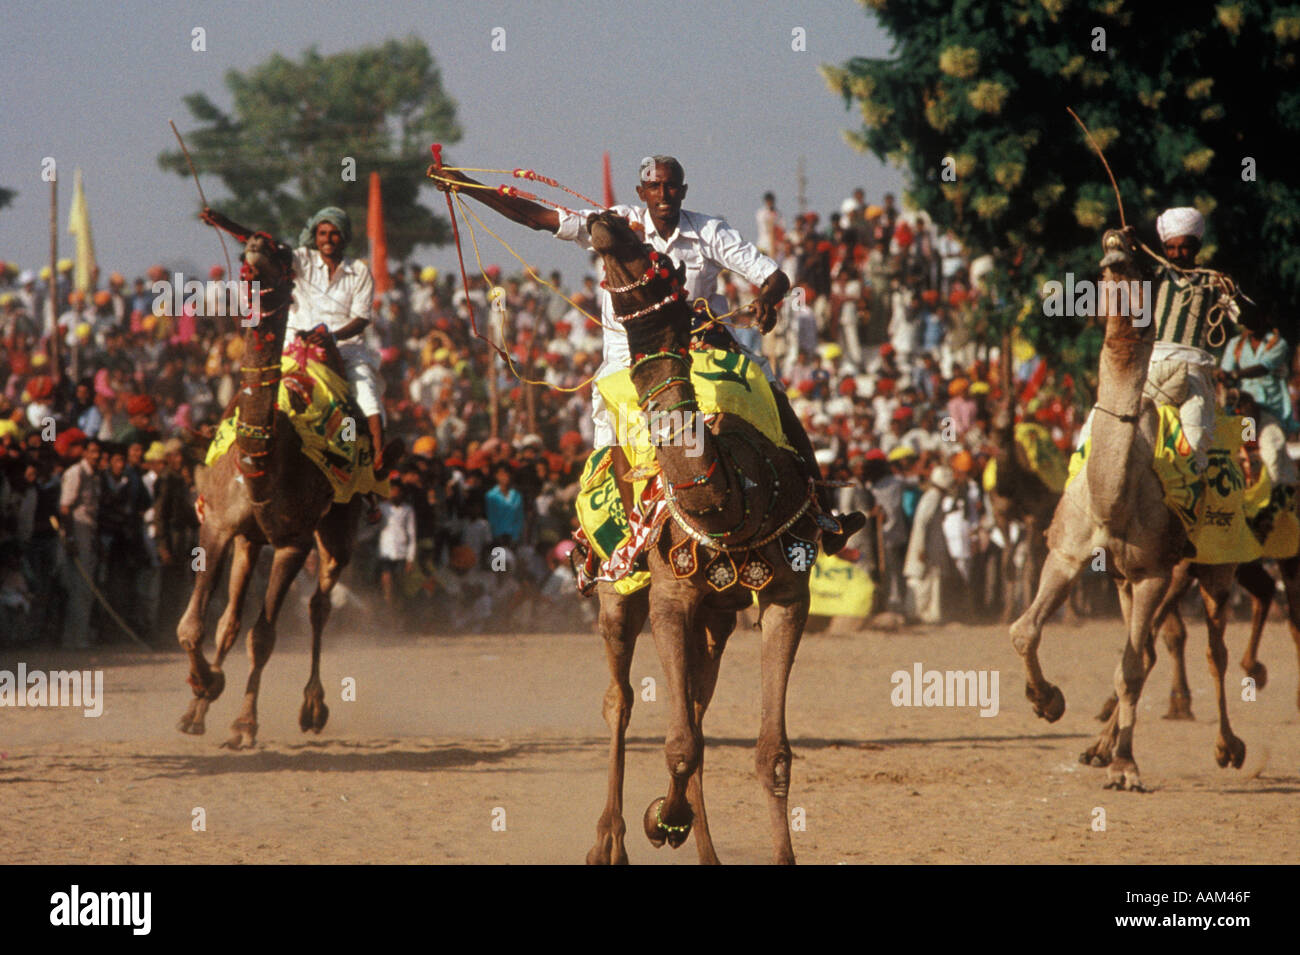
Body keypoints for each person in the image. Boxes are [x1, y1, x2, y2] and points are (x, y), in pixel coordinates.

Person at [435, 154, 865, 551]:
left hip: (699, 349)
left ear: (683, 190)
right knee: (610, 437)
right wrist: (467, 186)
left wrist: (767, 302)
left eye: (671, 186)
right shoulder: (616, 225)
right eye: (654, 187)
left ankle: (820, 513)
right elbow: (539, 217)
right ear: (641, 193)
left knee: (771, 392)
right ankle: (606, 542)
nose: (663, 195)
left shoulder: (709, 231)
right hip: (628, 358)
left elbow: (772, 275)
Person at [199, 205, 395, 474]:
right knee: (252, 390)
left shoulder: (359, 272)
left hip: (345, 348)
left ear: (344, 237)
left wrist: (331, 337)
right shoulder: (300, 259)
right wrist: (226, 224)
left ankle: (377, 460)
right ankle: (216, 439)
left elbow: (361, 318)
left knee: (367, 396)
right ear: (315, 236)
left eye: (334, 233)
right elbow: (262, 245)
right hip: (295, 347)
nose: (328, 239)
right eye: (323, 233)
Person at [1145, 206, 1240, 470]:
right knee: (1110, 422)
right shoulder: (1152, 277)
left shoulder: (1213, 282)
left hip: (1193, 370)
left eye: (1184, 247)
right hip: (1152, 366)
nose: (1177, 254)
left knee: (1197, 436)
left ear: (1197, 246)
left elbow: (1247, 318)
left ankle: (1192, 491)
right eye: (1170, 248)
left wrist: (1232, 290)